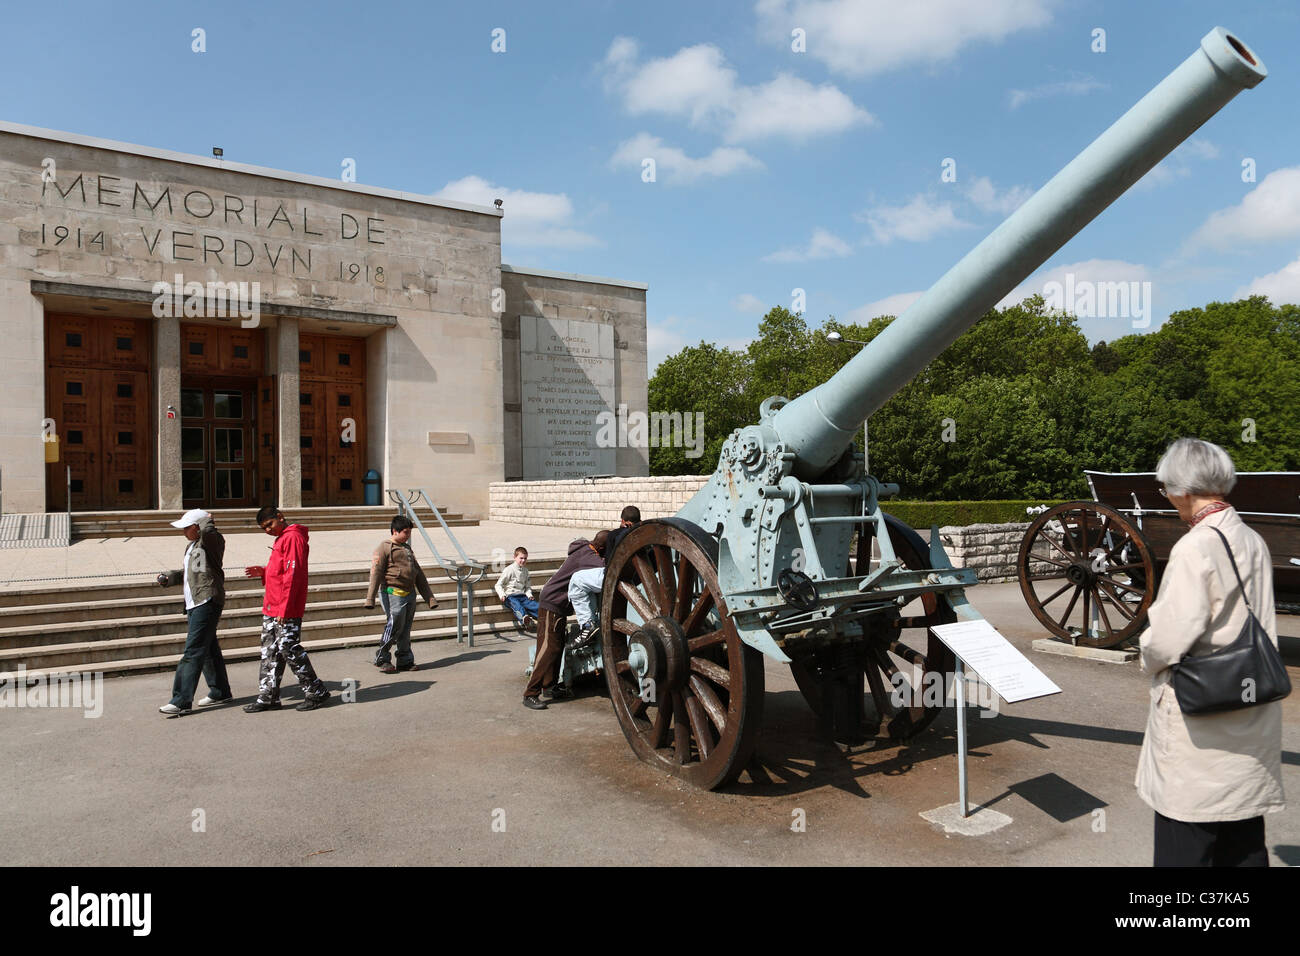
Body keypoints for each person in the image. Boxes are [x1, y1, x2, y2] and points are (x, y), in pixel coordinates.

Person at [1136, 438, 1285, 866]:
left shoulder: (1194, 546)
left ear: (1182, 489)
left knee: (1187, 842)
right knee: (1243, 840)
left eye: (1165, 487)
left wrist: (1147, 654)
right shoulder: (1252, 538)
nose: (1166, 495)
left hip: (1200, 722)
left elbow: (1168, 639)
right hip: (1251, 701)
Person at [243, 506, 331, 712]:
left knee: (289, 648)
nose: (267, 530)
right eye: (263, 528)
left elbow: (294, 574)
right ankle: (268, 696)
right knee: (270, 651)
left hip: (286, 608)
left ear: (280, 517)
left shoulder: (293, 537)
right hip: (272, 606)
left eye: (269, 525)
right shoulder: (282, 538)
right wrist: (264, 571)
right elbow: (282, 570)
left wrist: (285, 607)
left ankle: (316, 691)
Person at [156, 509, 232, 715]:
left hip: (207, 600)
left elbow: (210, 534)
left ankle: (181, 699)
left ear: (198, 527)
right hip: (194, 602)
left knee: (193, 650)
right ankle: (220, 691)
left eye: (187, 528)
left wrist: (208, 521)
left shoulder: (212, 542)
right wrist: (170, 577)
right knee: (208, 648)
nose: (183, 532)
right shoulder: (192, 546)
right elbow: (191, 573)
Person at [522, 531, 609, 710]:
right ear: (601, 548)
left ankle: (550, 685)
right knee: (548, 648)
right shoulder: (588, 556)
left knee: (557, 646)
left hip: (557, 605)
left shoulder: (583, 549)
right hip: (552, 603)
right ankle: (530, 693)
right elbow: (608, 570)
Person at [365, 515, 438, 673]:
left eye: (409, 532)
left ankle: (405, 660)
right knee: (394, 626)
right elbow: (376, 573)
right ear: (394, 531)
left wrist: (430, 598)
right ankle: (382, 657)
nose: (408, 535)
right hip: (392, 593)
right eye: (405, 532)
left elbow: (418, 574)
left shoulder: (407, 549)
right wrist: (370, 598)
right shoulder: (384, 548)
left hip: (409, 594)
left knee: (405, 628)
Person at [568, 506, 640, 649]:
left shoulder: (616, 534)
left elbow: (609, 563)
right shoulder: (646, 531)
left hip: (615, 578)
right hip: (637, 578)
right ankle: (593, 623)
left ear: (624, 521)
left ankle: (588, 625)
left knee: (577, 580)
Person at [495, 546, 538, 631]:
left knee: (534, 605)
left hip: (522, 596)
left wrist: (529, 594)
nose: (523, 560)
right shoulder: (509, 569)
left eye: (525, 558)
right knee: (517, 606)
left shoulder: (525, 571)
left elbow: (528, 587)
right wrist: (502, 594)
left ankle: (545, 617)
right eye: (521, 558)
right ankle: (525, 619)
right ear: (514, 557)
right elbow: (498, 585)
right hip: (510, 596)